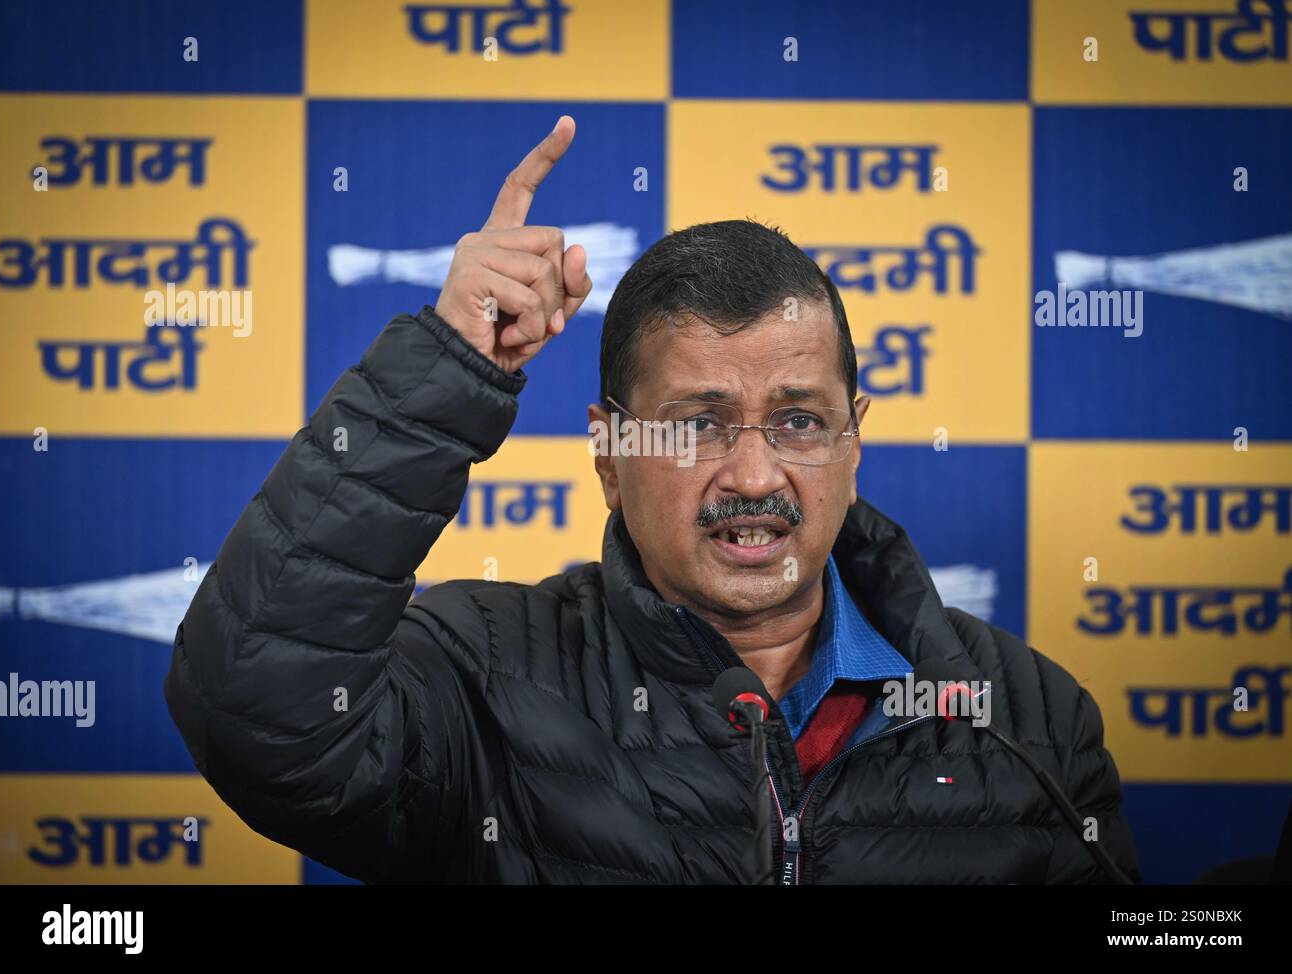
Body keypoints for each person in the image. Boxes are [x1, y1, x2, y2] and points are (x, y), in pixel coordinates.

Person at [165, 116, 1142, 884]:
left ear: (854, 437)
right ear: (608, 451)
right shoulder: (485, 679)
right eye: (698, 423)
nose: (754, 476)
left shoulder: (1027, 717)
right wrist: (448, 371)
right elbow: (256, 710)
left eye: (798, 421)